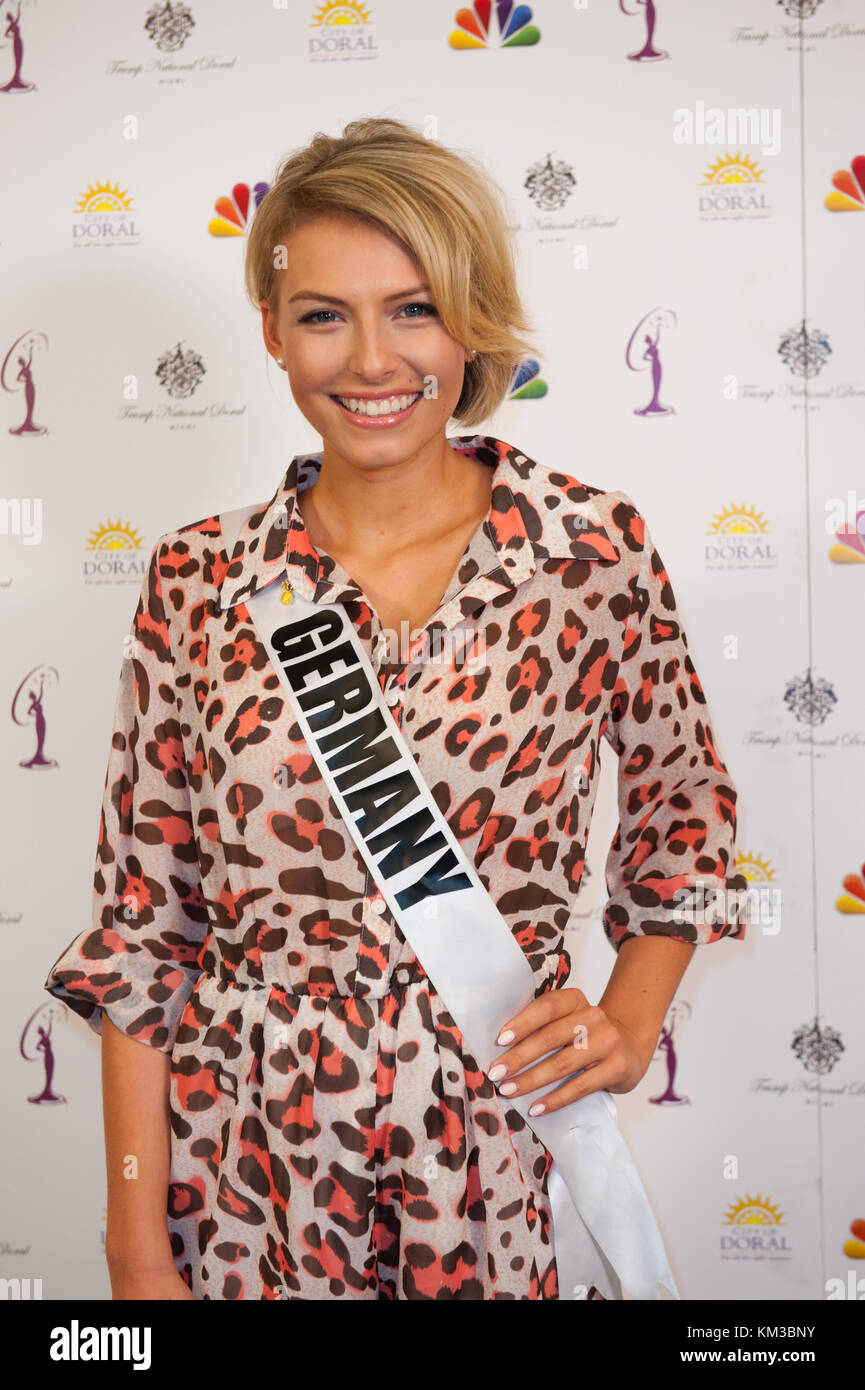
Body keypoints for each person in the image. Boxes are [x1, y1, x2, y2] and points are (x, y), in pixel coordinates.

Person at [43, 116, 748, 1301]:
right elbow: (142, 932)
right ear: (273, 331)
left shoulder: (586, 551)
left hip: (494, 1157)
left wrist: (628, 1020)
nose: (372, 360)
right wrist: (133, 1245)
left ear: (472, 317)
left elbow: (684, 813)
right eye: (324, 314)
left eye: (413, 308)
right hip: (246, 1181)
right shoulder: (200, 580)